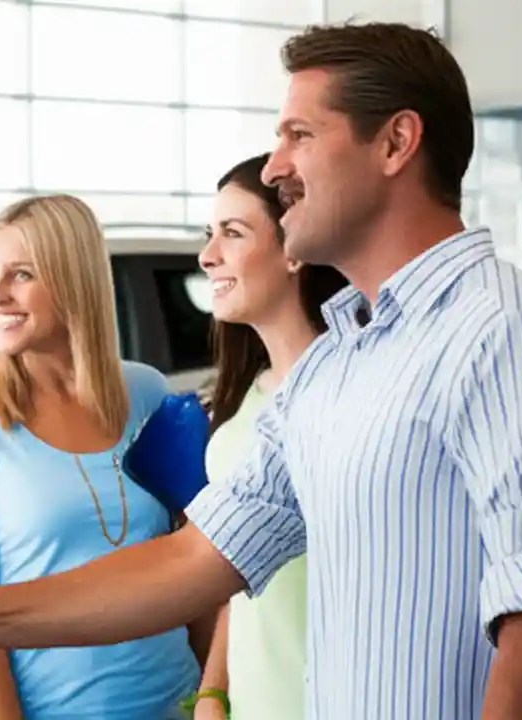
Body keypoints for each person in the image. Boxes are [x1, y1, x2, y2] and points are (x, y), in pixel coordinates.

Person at [0, 22, 522, 720]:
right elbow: (193, 562)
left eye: (299, 136)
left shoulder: (500, 324)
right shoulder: (339, 364)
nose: (275, 167)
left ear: (397, 142)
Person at [0, 194, 209, 718]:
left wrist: (216, 694)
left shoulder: (147, 394)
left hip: (175, 701)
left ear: (74, 280)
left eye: (21, 274)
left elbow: (199, 565)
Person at [188, 153, 347, 720]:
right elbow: (237, 567)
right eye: (210, 235)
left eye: (233, 233)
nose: (208, 257)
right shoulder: (244, 395)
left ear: (294, 249)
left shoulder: (347, 392)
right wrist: (213, 692)